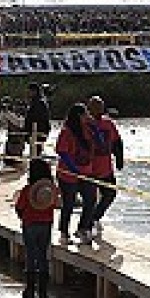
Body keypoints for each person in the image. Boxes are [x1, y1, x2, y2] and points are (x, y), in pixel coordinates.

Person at [14, 158, 60, 298]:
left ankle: (30, 290)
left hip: (30, 224)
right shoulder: (51, 190)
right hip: (46, 224)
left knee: (31, 255)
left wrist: (23, 217)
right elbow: (56, 204)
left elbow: (19, 208)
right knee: (43, 256)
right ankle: (43, 292)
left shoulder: (27, 190)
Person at [55, 103, 96, 243]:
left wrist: (94, 128)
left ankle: (83, 228)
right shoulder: (66, 131)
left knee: (90, 200)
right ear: (79, 116)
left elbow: (99, 143)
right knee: (69, 203)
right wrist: (73, 168)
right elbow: (62, 151)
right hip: (68, 174)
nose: (87, 116)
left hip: (86, 172)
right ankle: (64, 232)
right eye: (85, 114)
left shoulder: (87, 129)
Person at [86, 95, 123, 240]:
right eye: (95, 107)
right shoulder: (85, 123)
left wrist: (119, 158)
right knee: (89, 199)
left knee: (110, 194)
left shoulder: (108, 123)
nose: (99, 110)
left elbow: (117, 142)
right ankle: (85, 227)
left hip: (105, 167)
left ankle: (95, 217)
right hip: (88, 168)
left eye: (100, 107)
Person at [24, 83, 50, 158]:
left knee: (35, 154)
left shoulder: (38, 103)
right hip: (35, 132)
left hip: (37, 132)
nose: (28, 93)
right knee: (35, 153)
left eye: (29, 91)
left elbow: (36, 118)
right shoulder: (36, 102)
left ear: (34, 91)